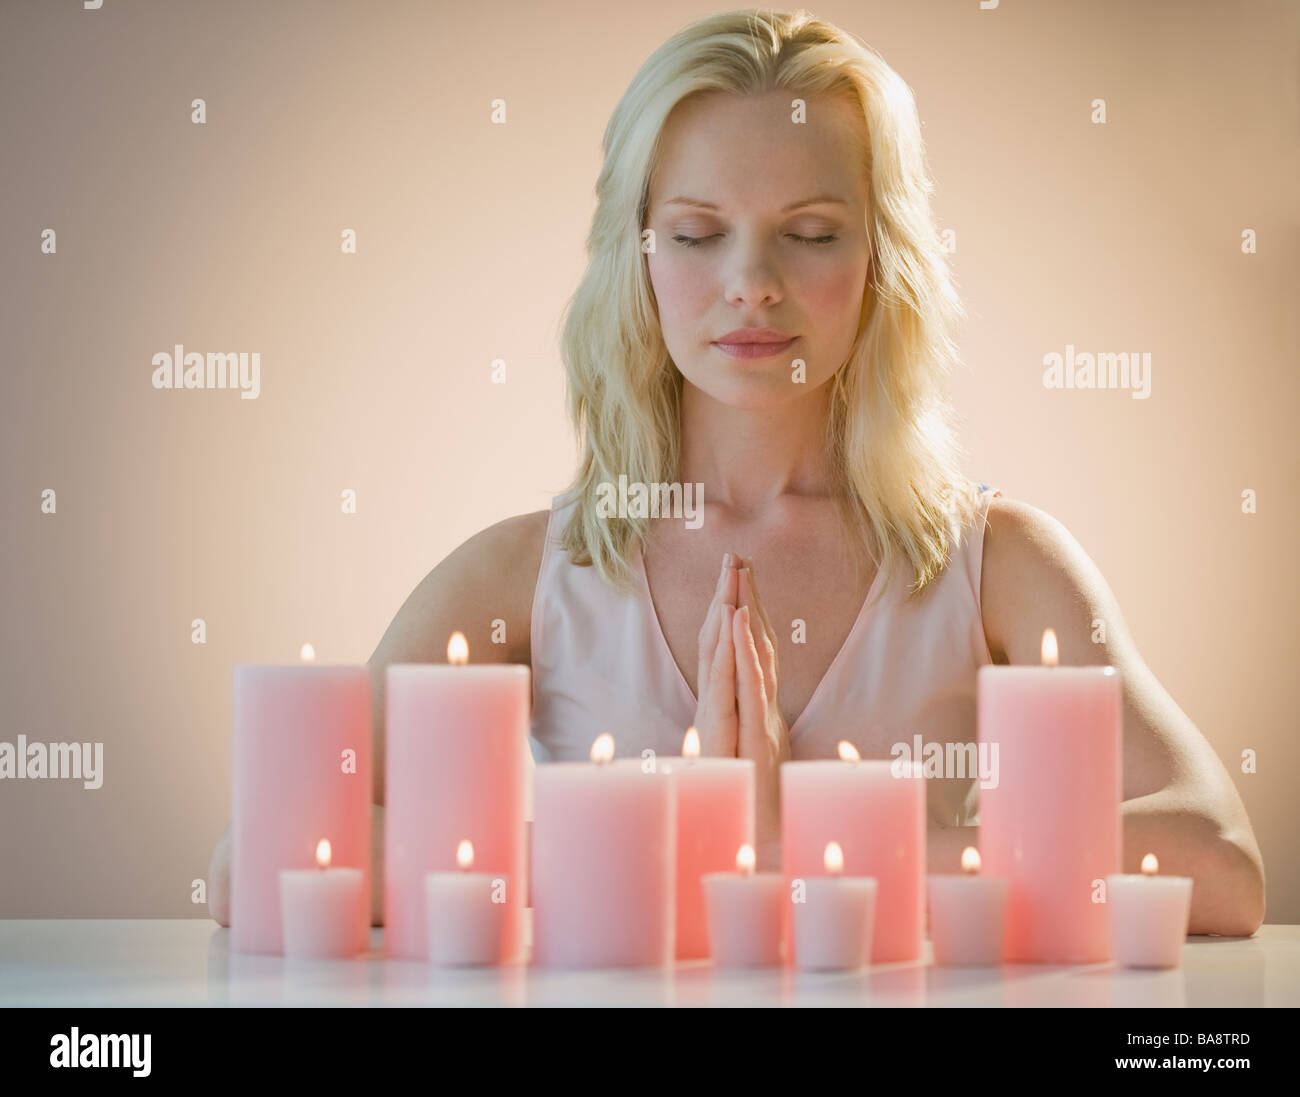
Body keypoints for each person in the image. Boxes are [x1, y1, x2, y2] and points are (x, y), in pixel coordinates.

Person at [209, 9, 1264, 936]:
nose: (750, 285)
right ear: (639, 257)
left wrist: (783, 832)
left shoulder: (999, 566)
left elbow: (1218, 863)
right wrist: (682, 840)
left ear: (881, 259)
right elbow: (251, 862)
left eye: (808, 234)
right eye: (699, 233)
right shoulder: (520, 577)